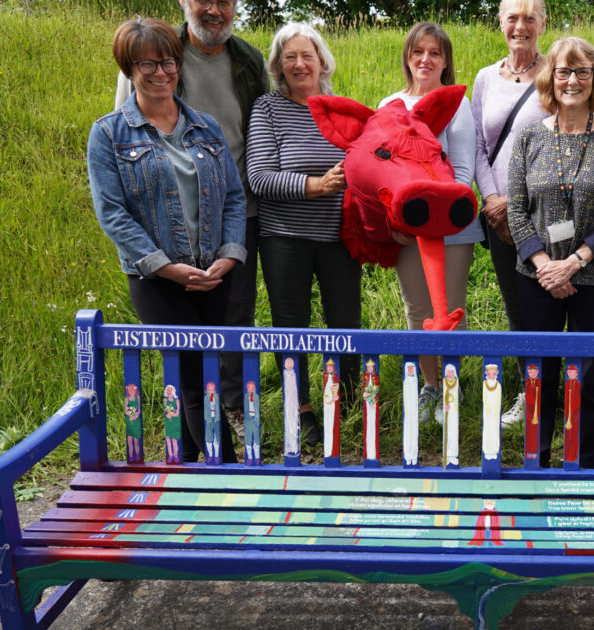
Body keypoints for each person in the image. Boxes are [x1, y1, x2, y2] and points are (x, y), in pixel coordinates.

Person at [89, 17, 245, 464]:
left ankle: (191, 473)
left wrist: (229, 255)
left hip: (214, 273)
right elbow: (112, 214)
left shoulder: (207, 127)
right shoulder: (108, 134)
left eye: (169, 63)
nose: (161, 73)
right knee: (196, 381)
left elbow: (234, 197)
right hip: (156, 278)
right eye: (147, 64)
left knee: (202, 374)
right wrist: (167, 268)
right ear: (128, 68)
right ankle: (230, 477)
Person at [115, 0, 269, 433]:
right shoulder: (154, 52)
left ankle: (233, 406)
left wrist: (234, 238)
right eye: (204, 0)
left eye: (225, 1)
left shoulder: (250, 60)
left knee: (235, 316)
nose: (215, 9)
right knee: (183, 341)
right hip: (168, 221)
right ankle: (193, 427)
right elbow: (125, 139)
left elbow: (259, 127)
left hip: (235, 211)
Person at [507, 36, 594, 468]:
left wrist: (574, 263)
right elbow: (516, 212)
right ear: (551, 78)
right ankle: (538, 459)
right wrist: (546, 266)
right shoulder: (528, 138)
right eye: (563, 71)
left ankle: (583, 462)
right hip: (537, 278)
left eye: (583, 71)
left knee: (590, 373)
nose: (572, 81)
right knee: (539, 372)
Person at [247, 23, 358, 449]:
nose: (298, 64)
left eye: (306, 55)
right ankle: (302, 408)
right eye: (289, 57)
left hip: (339, 237)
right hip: (284, 237)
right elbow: (259, 177)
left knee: (344, 321)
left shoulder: (339, 109)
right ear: (278, 66)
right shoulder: (267, 109)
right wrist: (316, 186)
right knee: (291, 324)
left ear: (321, 62)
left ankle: (347, 401)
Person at [379, 22, 480, 425]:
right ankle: (430, 385)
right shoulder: (389, 104)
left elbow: (463, 171)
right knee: (418, 307)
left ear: (446, 62)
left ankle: (452, 385)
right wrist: (395, 218)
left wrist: (436, 218)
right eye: (418, 51)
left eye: (435, 53)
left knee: (450, 306)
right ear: (407, 57)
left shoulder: (457, 103)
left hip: (451, 227)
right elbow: (381, 168)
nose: (425, 59)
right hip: (406, 230)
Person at [472, 0, 552, 427]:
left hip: (546, 214)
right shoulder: (486, 78)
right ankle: (530, 393)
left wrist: (516, 204)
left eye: (529, 18)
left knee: (550, 305)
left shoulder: (556, 71)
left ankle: (559, 392)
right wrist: (491, 200)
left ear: (543, 23)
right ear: (500, 23)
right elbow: (478, 147)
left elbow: (564, 143)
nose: (521, 26)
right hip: (497, 218)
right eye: (512, 18)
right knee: (517, 308)